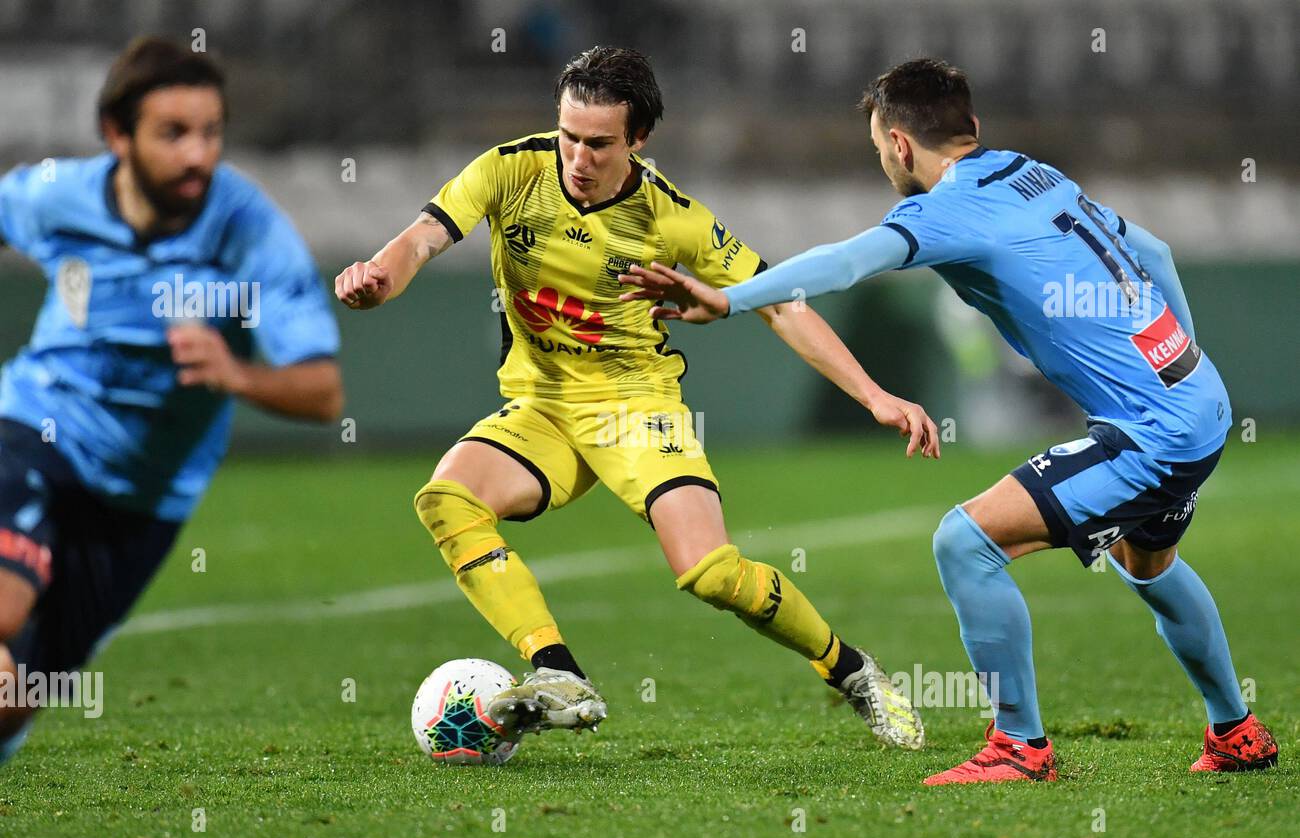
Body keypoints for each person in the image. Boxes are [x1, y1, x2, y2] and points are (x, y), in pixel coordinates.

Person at [619, 57, 1277, 784]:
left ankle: (1020, 748)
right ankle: (1236, 731)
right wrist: (1184, 355)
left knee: (965, 543)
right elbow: (1156, 251)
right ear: (971, 129)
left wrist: (728, 298)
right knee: (1147, 564)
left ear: (901, 145)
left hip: (1154, 430)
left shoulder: (943, 211)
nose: (882, 163)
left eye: (878, 149)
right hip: (1198, 399)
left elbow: (845, 261)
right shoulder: (1032, 172)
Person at [336, 46, 937, 749]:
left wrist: (873, 395)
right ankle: (557, 671)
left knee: (710, 574)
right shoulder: (510, 170)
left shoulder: (671, 217)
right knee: (446, 500)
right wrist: (379, 276)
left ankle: (854, 671)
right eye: (567, 135)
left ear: (639, 140)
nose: (576, 157)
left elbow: (782, 305)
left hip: (635, 410)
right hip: (541, 407)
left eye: (598, 143)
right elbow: (422, 240)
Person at [0, 37, 343, 763]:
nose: (198, 156)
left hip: (144, 497)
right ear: (116, 135)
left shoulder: (248, 231)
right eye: (174, 133)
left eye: (211, 133)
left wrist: (236, 374)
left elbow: (322, 393)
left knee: (16, 702)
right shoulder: (57, 195)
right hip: (35, 426)